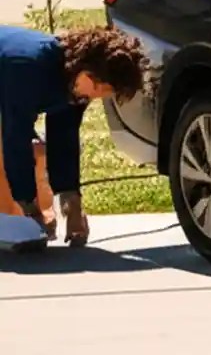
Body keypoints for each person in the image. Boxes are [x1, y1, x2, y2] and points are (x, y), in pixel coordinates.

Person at [0, 24, 148, 247]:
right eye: (100, 89)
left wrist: (72, 206)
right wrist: (31, 211)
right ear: (87, 71)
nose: (97, 97)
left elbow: (64, 140)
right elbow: (15, 139)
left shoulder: (74, 82)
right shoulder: (29, 69)